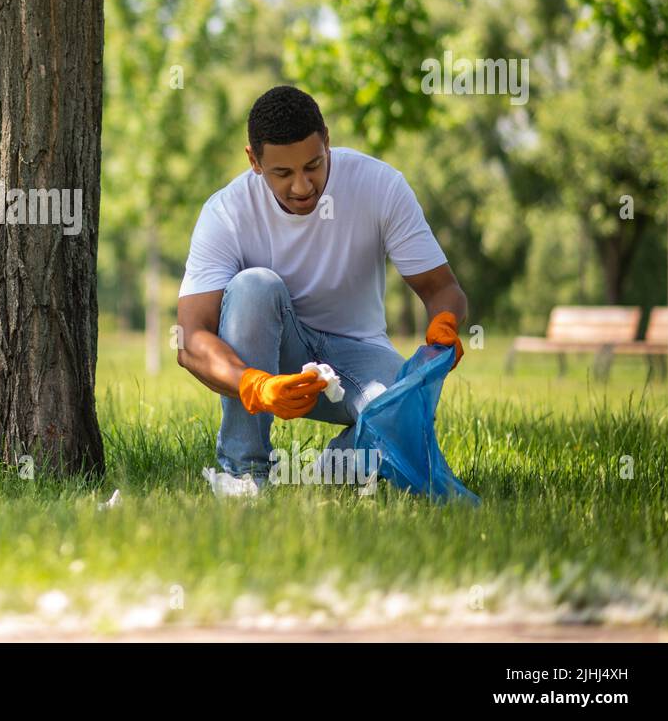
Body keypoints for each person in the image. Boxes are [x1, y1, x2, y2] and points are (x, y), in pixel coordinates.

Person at [175, 85, 467, 494]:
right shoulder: (226, 212)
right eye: (282, 173)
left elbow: (442, 288)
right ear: (254, 161)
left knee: (405, 411)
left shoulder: (379, 185)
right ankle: (243, 474)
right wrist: (255, 385)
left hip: (358, 354)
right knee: (254, 286)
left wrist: (445, 325)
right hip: (277, 356)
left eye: (313, 165)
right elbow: (190, 339)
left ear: (327, 139)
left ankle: (334, 465)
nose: (302, 186)